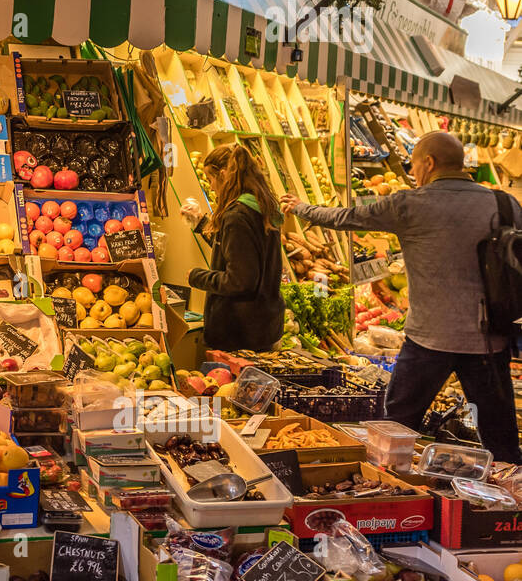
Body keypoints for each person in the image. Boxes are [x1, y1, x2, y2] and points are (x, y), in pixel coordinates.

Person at [282, 131, 522, 463]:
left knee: (395, 430)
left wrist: (301, 209)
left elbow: (345, 218)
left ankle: (392, 492)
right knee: (501, 438)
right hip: (489, 341)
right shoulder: (505, 204)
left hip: (428, 341)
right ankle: (507, 507)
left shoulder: (409, 204)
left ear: (429, 163)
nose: (413, 172)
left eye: (414, 164)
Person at [181, 143, 285, 351]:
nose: (211, 187)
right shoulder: (260, 207)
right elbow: (238, 251)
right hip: (263, 327)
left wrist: (197, 276)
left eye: (211, 180)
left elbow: (240, 281)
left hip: (239, 335)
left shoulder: (236, 216)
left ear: (223, 175)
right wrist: (202, 224)